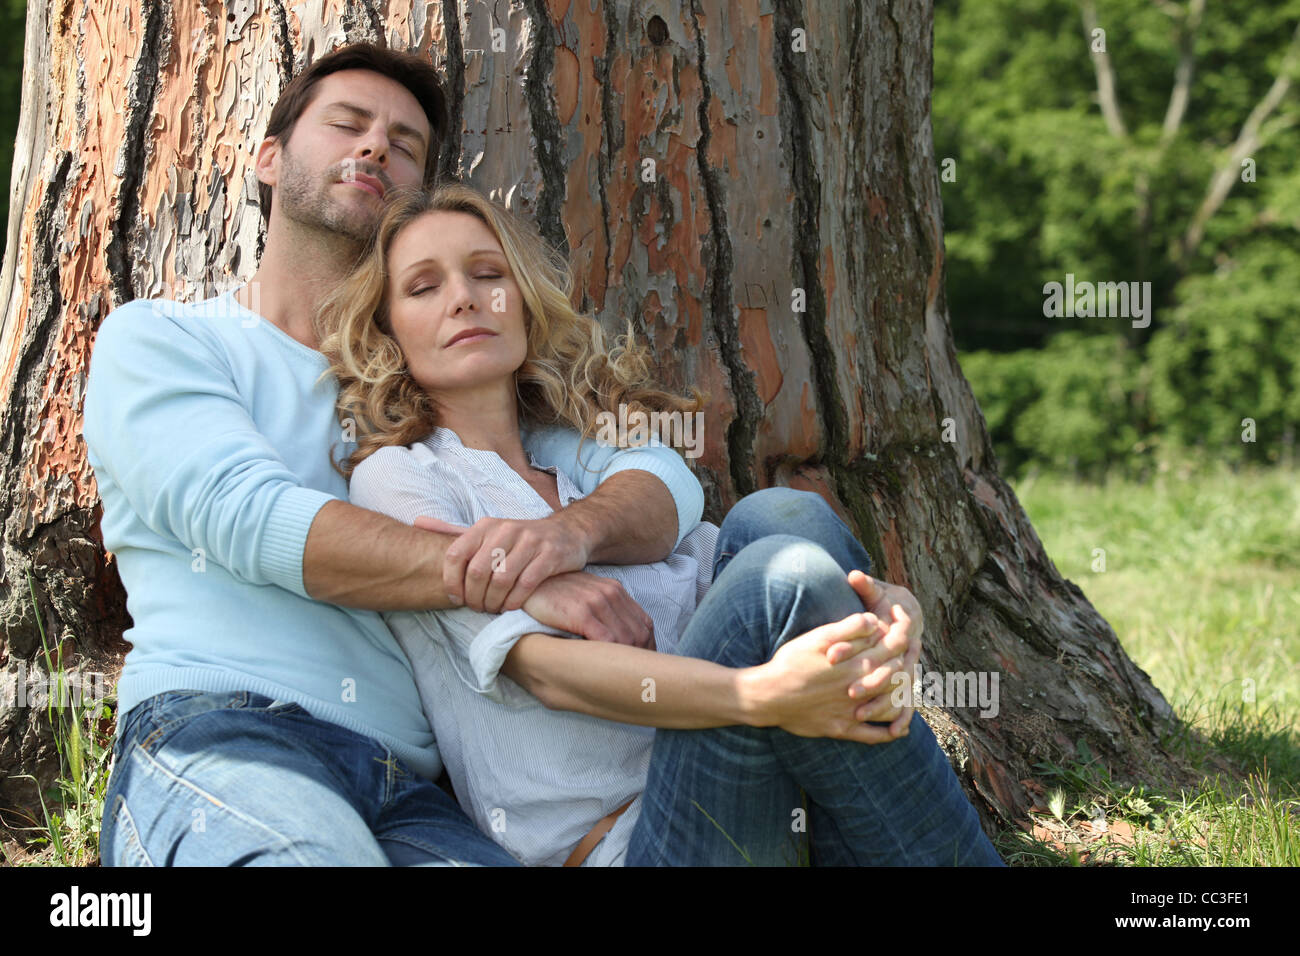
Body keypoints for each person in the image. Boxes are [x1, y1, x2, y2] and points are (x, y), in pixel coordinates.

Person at [80, 43, 718, 866]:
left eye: (406, 144)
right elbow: (250, 518)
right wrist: (518, 579)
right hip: (227, 730)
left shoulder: (425, 384)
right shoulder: (166, 340)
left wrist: (567, 539)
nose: (376, 146)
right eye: (347, 124)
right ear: (269, 159)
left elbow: (663, 478)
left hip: (414, 785)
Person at [329, 182, 1006, 866]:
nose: (465, 298)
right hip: (640, 839)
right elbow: (547, 673)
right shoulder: (402, 477)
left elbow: (740, 574)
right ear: (388, 330)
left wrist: (883, 603)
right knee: (786, 579)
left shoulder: (584, 463)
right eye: (423, 286)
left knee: (783, 517)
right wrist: (760, 696)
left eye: (487, 274)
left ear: (526, 304)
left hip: (780, 787)